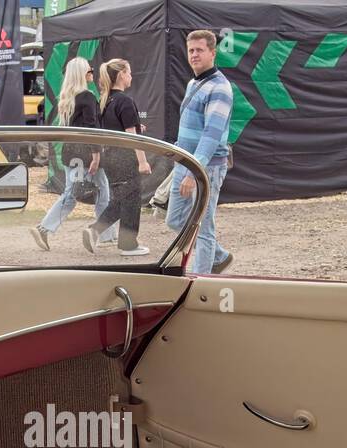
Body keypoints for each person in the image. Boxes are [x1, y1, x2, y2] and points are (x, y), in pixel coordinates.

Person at [165, 30, 234, 274]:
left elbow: (211, 135)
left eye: (200, 50)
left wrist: (195, 171)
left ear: (213, 53)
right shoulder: (194, 82)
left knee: (203, 227)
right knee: (174, 219)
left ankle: (201, 281)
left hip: (206, 166)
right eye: (191, 50)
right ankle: (219, 256)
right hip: (185, 162)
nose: (194, 55)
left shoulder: (220, 88)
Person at [29, 57, 115, 251]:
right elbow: (91, 128)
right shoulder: (87, 96)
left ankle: (104, 234)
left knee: (74, 194)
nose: (92, 72)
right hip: (86, 154)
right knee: (99, 193)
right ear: (82, 74)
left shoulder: (68, 98)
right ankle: (104, 234)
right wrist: (96, 154)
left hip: (71, 153)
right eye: (89, 70)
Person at [83, 59, 153, 257]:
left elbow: (118, 129)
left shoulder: (106, 102)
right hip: (125, 158)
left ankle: (95, 230)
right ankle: (128, 245)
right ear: (121, 74)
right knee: (131, 201)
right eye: (129, 72)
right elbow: (132, 137)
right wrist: (142, 161)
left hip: (110, 158)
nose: (131, 76)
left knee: (122, 199)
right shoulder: (125, 101)